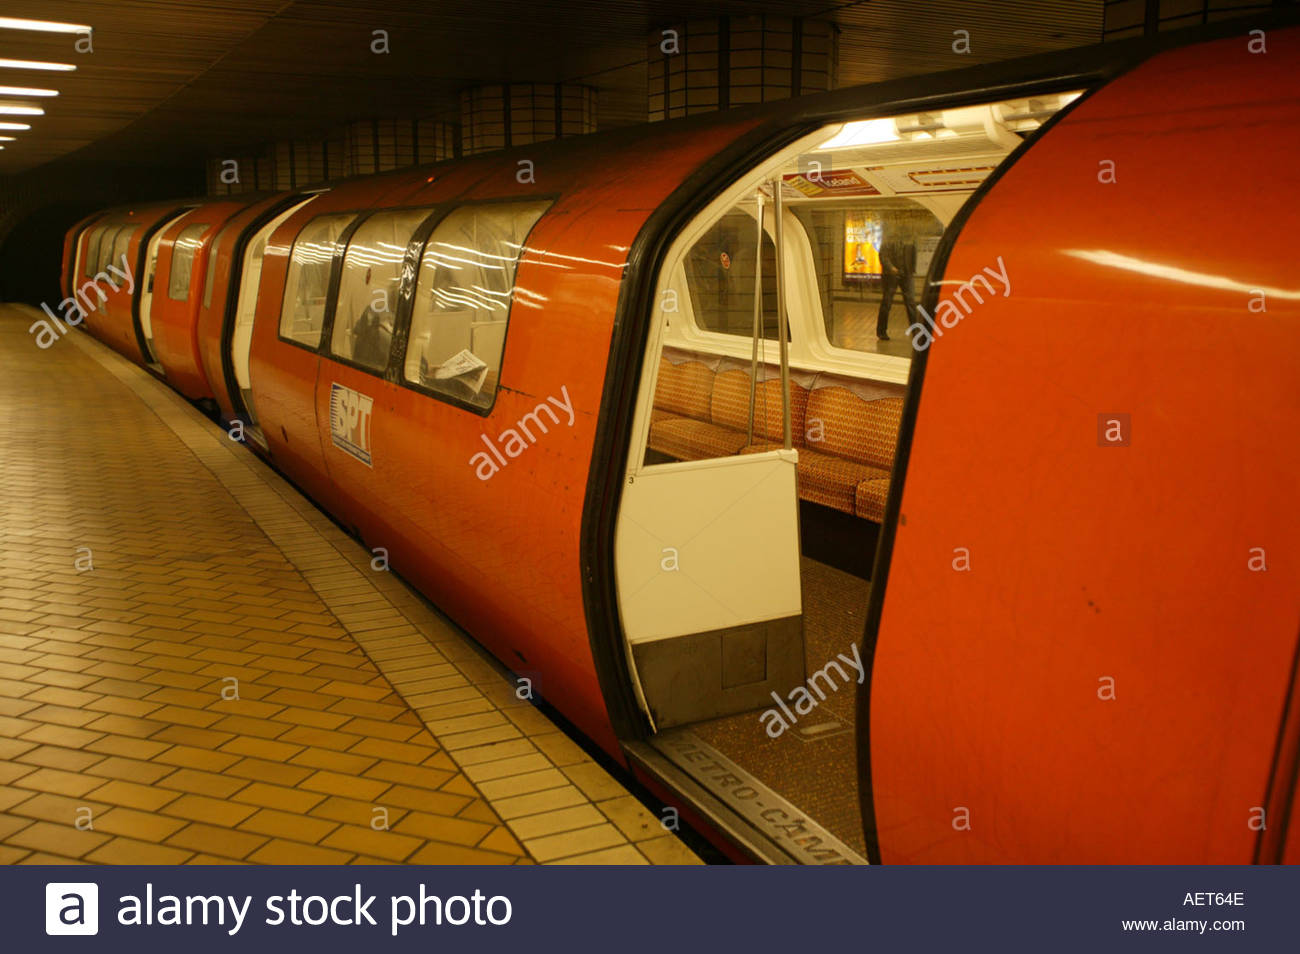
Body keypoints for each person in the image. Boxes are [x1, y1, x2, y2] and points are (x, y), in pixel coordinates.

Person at [876, 228, 919, 341]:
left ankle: (916, 332)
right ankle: (881, 331)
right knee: (887, 302)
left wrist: (912, 269)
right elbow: (883, 256)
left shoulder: (910, 236)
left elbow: (914, 252)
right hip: (890, 275)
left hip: (906, 273)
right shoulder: (888, 237)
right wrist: (891, 268)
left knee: (911, 303)